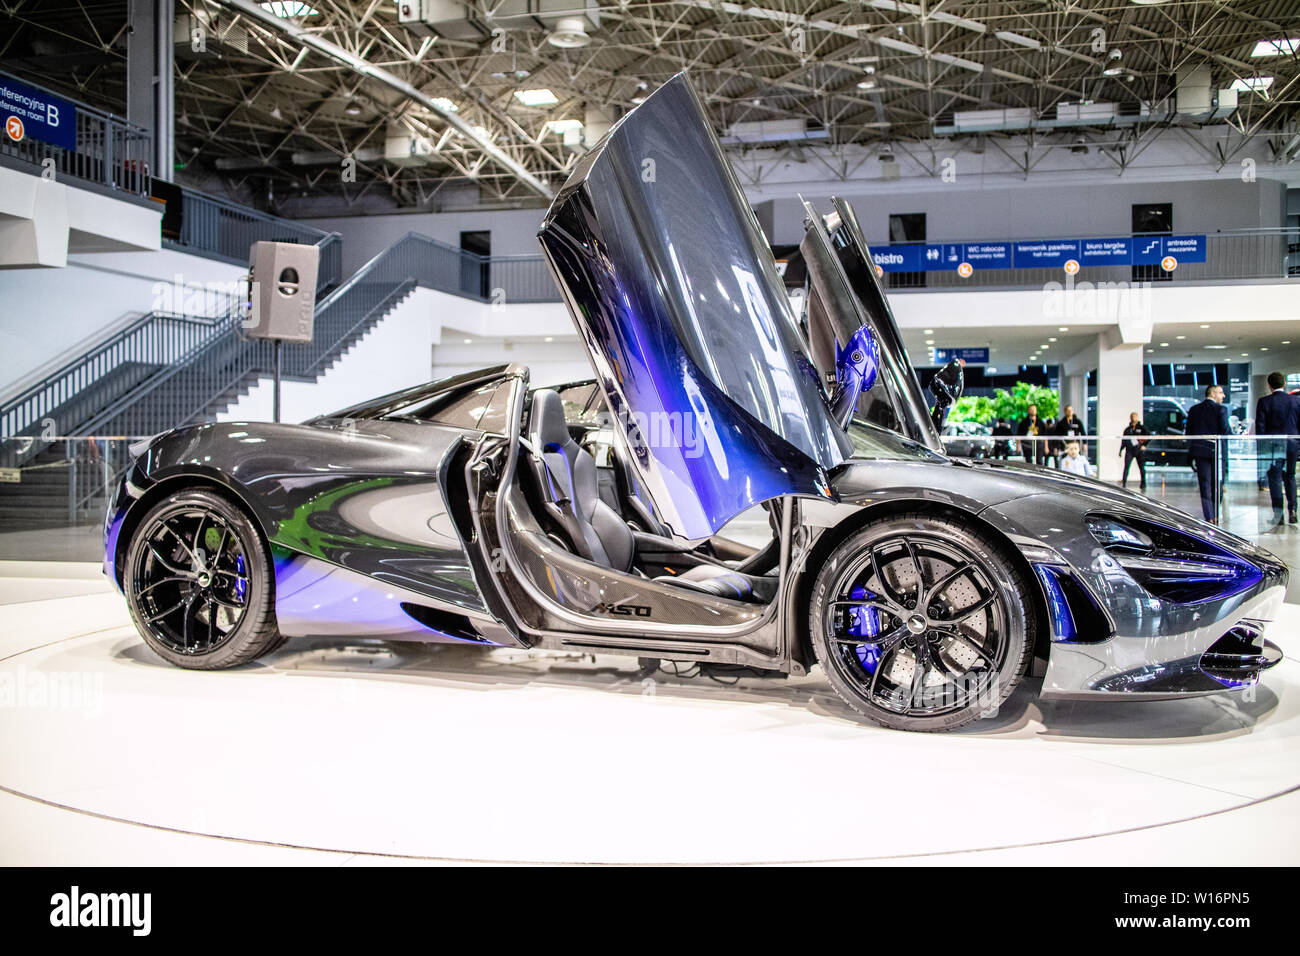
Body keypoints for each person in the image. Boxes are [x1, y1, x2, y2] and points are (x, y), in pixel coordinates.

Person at [1254, 371, 1299, 524]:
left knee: (1275, 480)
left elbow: (1260, 427)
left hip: (1272, 446)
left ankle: (1278, 516)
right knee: (1290, 477)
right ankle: (1293, 510)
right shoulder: (1296, 401)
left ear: (1269, 385)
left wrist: (1261, 448)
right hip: (1292, 444)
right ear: (1284, 383)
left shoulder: (1264, 402)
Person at [1185, 384, 1231, 523]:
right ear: (1212, 394)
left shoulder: (1194, 410)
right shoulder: (1221, 409)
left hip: (1200, 452)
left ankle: (1209, 516)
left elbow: (1189, 433)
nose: (1223, 396)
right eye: (1220, 393)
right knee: (1217, 483)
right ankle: (1216, 514)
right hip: (1217, 453)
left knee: (1205, 484)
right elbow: (1225, 430)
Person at [1119, 411, 1149, 489]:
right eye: (1132, 416)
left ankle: (1143, 483)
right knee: (1126, 467)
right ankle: (1124, 483)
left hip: (1139, 450)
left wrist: (1144, 445)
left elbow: (1149, 436)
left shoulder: (1142, 428)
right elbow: (1124, 440)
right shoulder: (1127, 429)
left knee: (1141, 467)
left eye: (1135, 416)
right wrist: (1120, 450)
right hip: (1129, 451)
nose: (1133, 418)